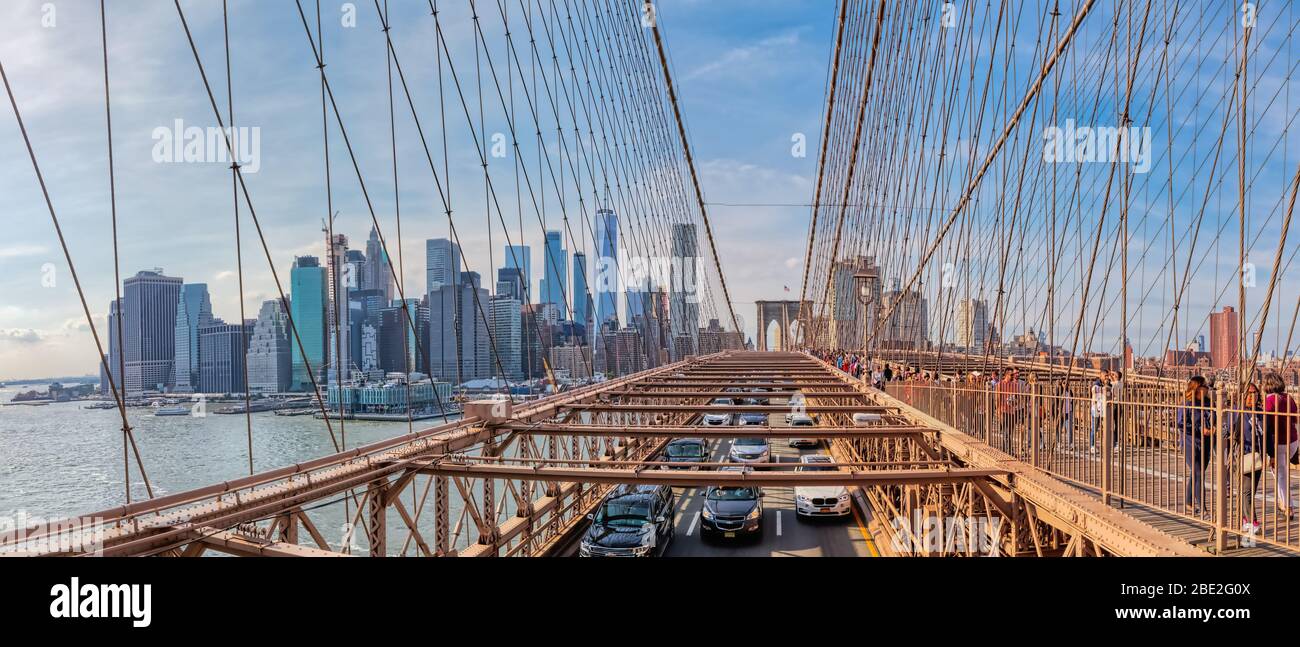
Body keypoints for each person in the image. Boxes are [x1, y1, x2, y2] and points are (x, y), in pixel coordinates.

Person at [1226, 382, 1265, 533]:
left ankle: (1245, 519)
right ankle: (1252, 522)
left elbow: (1267, 435)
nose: (1252, 396)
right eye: (1249, 393)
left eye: (1255, 393)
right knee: (1247, 491)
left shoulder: (1261, 413)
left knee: (1251, 491)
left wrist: (1271, 455)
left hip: (1258, 456)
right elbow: (1229, 431)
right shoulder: (1237, 412)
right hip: (1243, 454)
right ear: (1242, 395)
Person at [1176, 376, 1215, 516]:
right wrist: (1199, 429)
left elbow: (1214, 418)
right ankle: (1203, 508)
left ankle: (1189, 502)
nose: (1207, 388)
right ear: (1197, 388)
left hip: (1206, 442)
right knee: (1198, 473)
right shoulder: (1187, 404)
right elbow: (1181, 424)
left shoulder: (1208, 403)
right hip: (1190, 443)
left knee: (1197, 473)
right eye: (1204, 385)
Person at [1262, 372, 1298, 519]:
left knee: (1280, 475)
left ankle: (1288, 506)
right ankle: (1282, 503)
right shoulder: (1289, 398)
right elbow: (1295, 419)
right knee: (1281, 473)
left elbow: (1266, 423)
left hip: (1278, 443)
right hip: (1293, 441)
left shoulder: (1269, 400)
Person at [1088, 377, 1106, 454]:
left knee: (1097, 428)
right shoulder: (1096, 386)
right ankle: (1092, 446)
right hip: (1096, 409)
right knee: (1094, 428)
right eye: (1106, 377)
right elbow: (1095, 396)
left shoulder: (1103, 386)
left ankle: (1094, 445)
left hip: (1101, 409)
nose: (1107, 379)